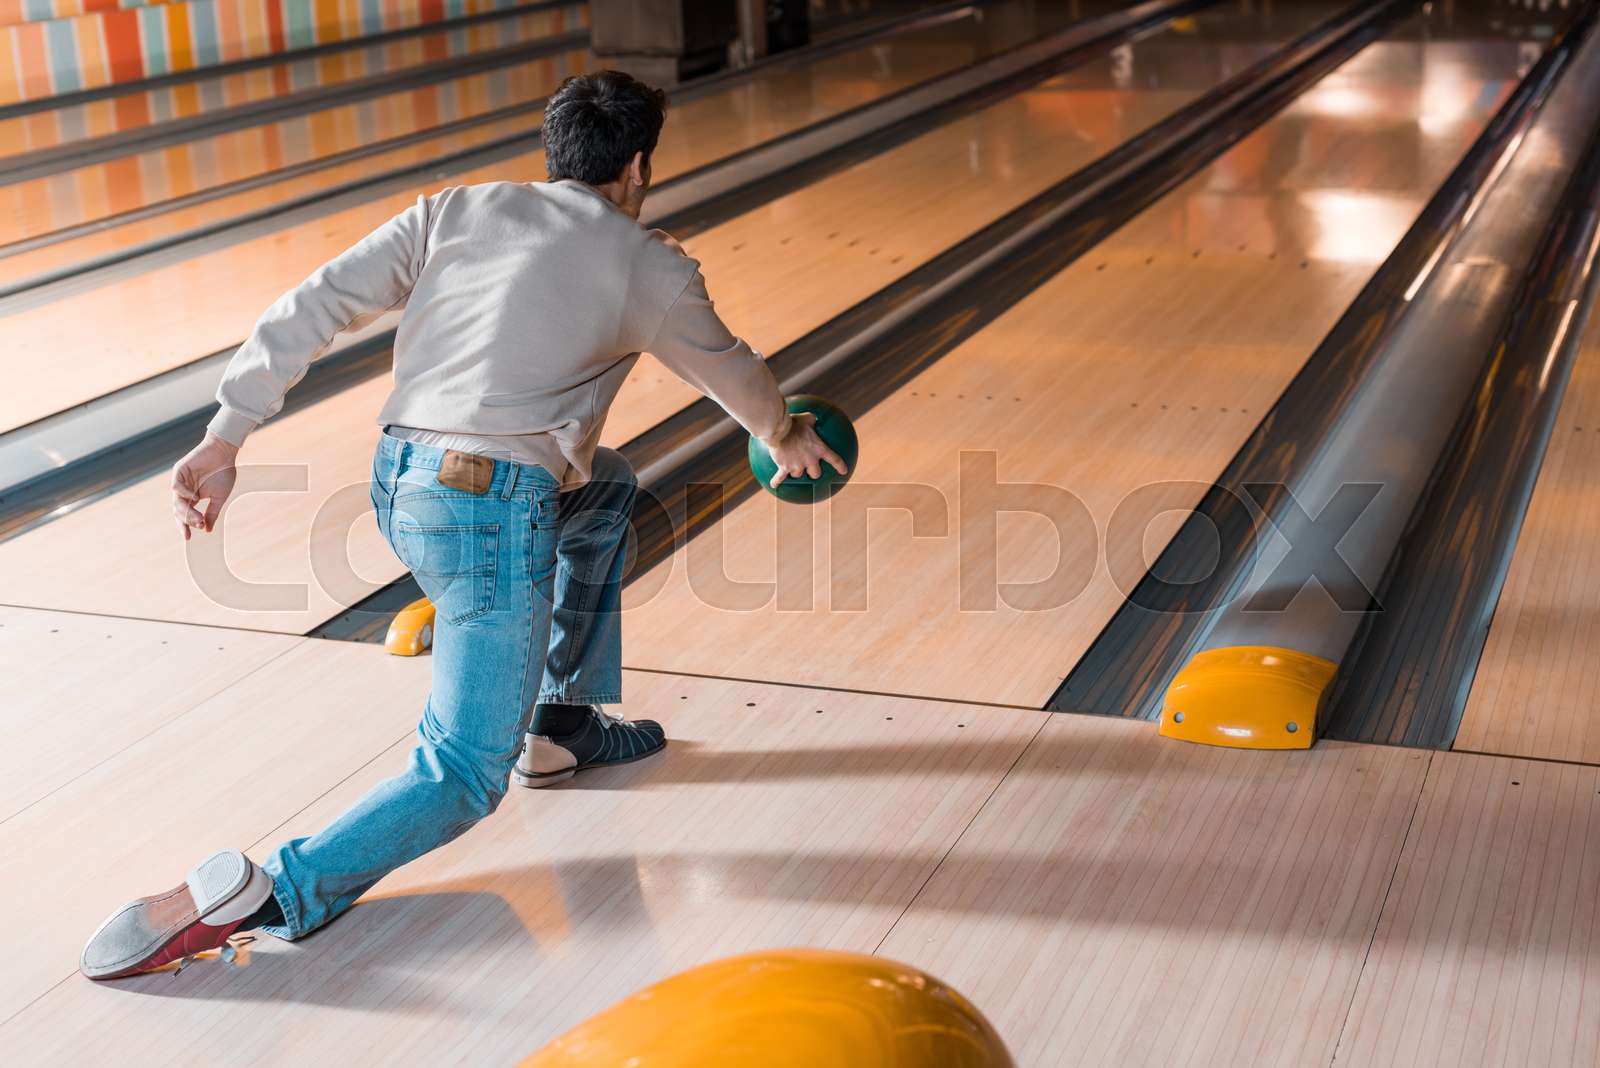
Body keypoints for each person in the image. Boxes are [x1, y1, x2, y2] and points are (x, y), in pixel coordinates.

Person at [80, 70, 845, 981]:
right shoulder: (651, 263)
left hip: (400, 484)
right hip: (491, 515)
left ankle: (561, 725)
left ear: (553, 151)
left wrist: (225, 434)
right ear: (638, 166)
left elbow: (312, 303)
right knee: (465, 771)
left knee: (604, 488)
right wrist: (784, 433)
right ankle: (274, 890)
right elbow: (736, 374)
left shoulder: (456, 209)